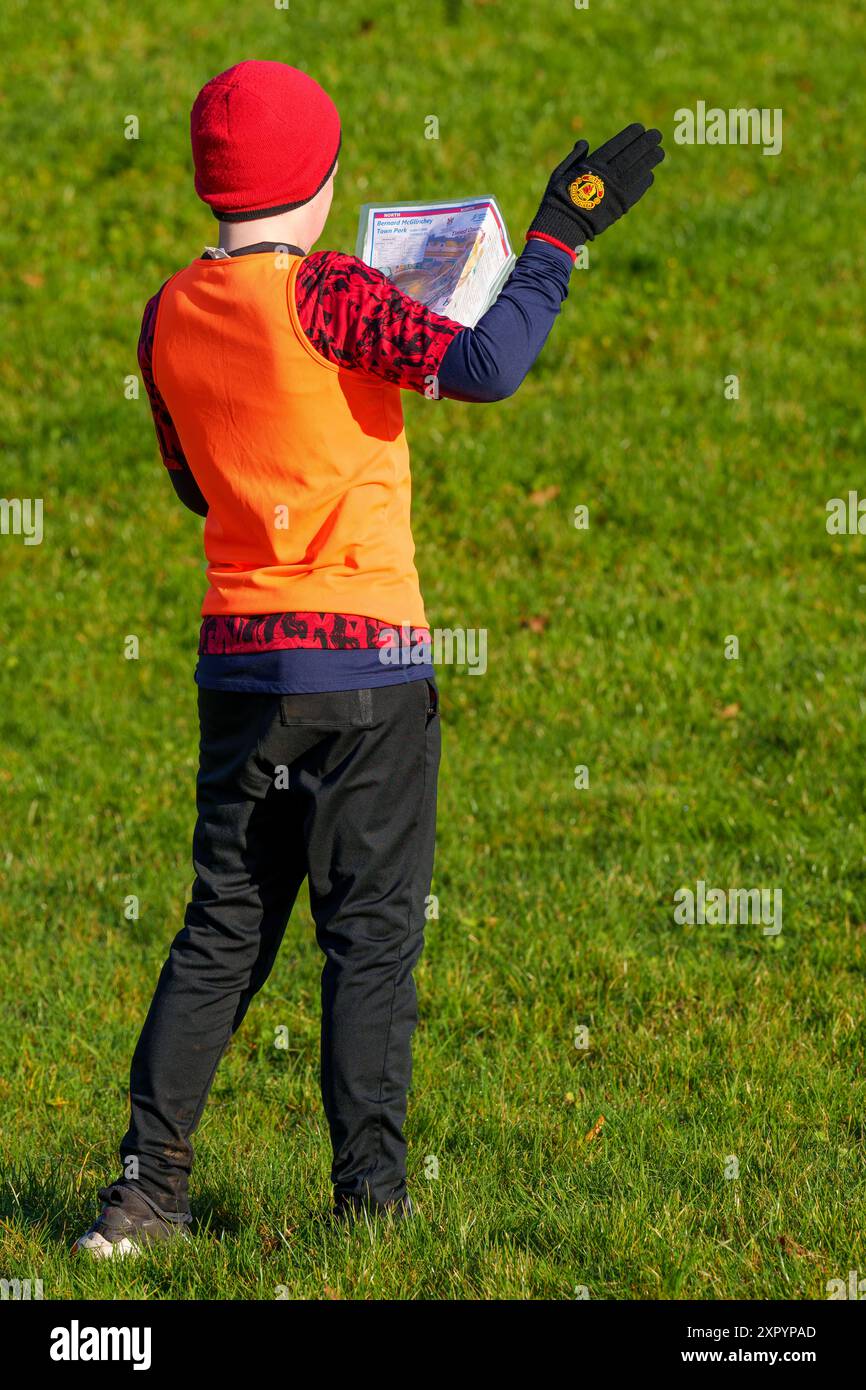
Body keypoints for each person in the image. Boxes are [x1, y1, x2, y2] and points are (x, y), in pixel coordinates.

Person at [73, 59, 664, 1256]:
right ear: (323, 178)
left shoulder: (168, 311)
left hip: (241, 670)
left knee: (223, 930)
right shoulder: (332, 294)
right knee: (371, 936)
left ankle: (140, 1199)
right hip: (368, 667)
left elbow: (196, 482)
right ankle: (373, 1208)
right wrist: (556, 231)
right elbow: (484, 366)